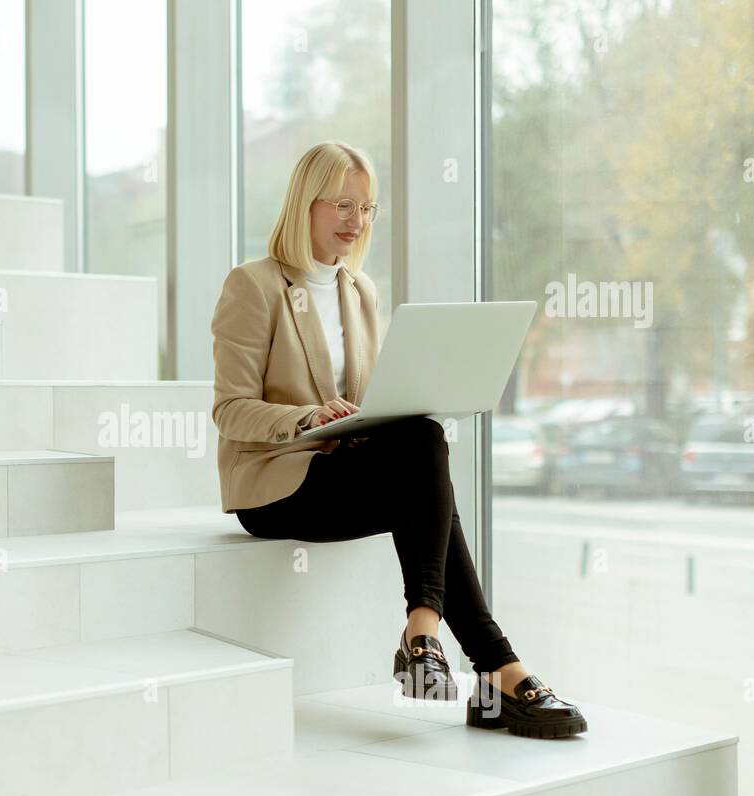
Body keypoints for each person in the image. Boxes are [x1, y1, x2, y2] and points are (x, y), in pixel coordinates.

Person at [209, 140, 586, 739]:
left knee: (422, 437)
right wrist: (305, 418)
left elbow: (375, 397)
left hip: (347, 470)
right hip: (276, 485)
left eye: (368, 208)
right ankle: (485, 665)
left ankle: (438, 640)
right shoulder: (253, 286)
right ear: (306, 204)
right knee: (425, 466)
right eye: (342, 205)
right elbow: (229, 411)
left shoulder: (361, 292)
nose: (357, 222)